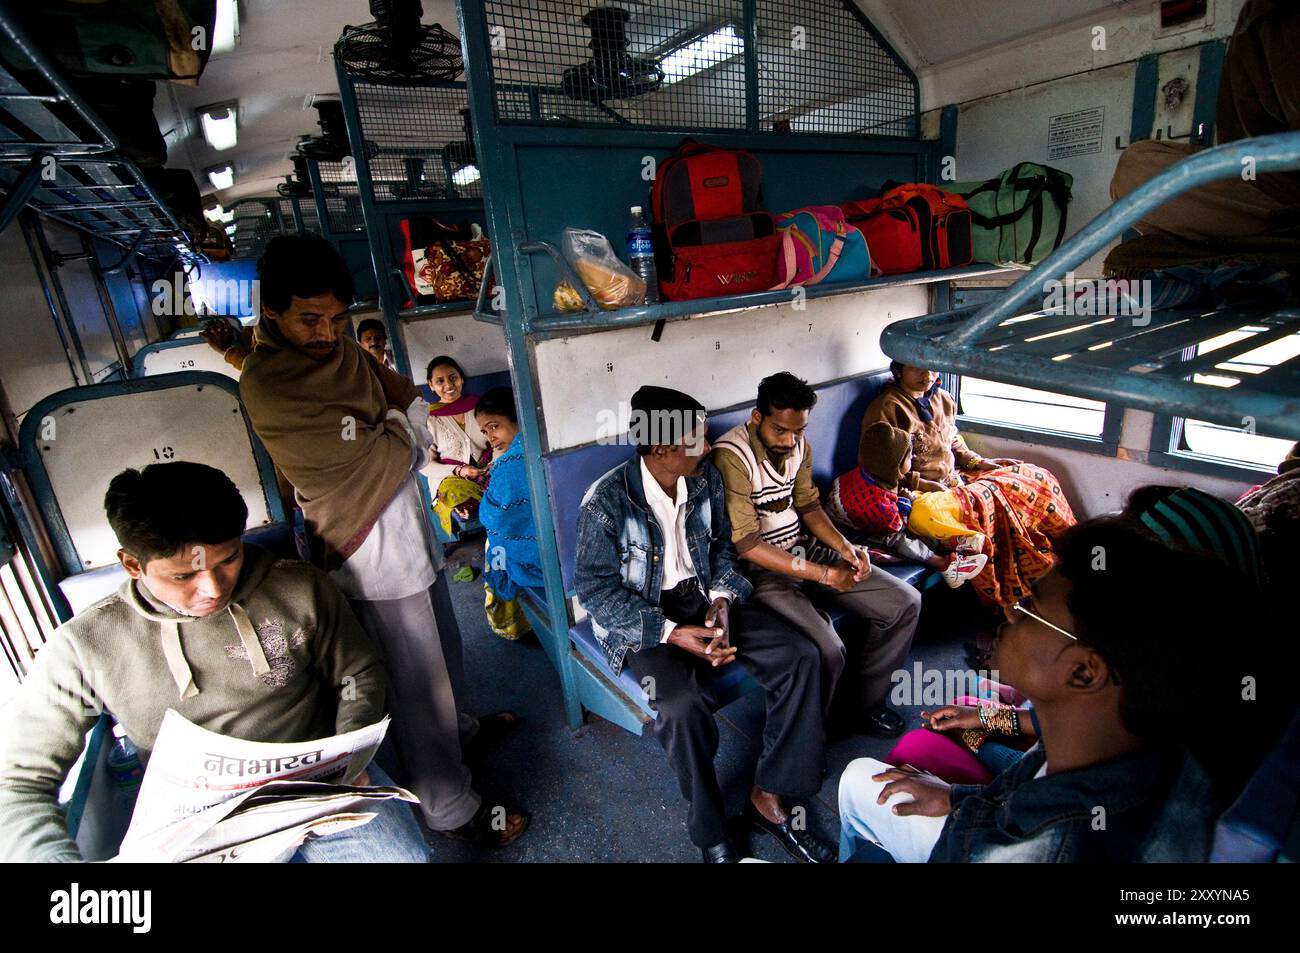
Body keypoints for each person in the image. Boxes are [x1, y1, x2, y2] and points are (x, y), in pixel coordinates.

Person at [238, 235, 527, 847]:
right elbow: (389, 450)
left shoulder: (341, 352)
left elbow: (405, 402)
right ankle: (448, 806)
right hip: (364, 543)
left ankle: (460, 731)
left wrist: (399, 426)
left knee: (444, 650)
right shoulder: (271, 384)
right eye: (309, 318)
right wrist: (403, 429)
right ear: (271, 312)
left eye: (337, 318)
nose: (326, 332)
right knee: (413, 679)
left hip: (406, 525)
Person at [0, 462, 430, 863]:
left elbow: (357, 671)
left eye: (229, 560)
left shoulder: (299, 587)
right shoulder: (86, 644)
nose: (212, 589)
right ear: (133, 564)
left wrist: (351, 750)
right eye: (184, 576)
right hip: (201, 817)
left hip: (320, 785)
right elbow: (19, 782)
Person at [837, 518, 1231, 863]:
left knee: (857, 778)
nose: (1008, 609)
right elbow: (1022, 789)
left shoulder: (1041, 849)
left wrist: (963, 811)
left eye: (1029, 607)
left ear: (1083, 671)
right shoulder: (1099, 734)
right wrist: (956, 798)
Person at [574, 385, 834, 863]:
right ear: (660, 448)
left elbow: (720, 551)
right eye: (697, 438)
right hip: (642, 618)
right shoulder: (606, 502)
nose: (709, 444)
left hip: (702, 597)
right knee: (680, 706)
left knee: (801, 656)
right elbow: (595, 592)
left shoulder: (704, 479)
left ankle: (769, 795)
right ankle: (711, 830)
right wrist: (671, 632)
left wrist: (720, 601)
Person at [712, 372, 919, 736]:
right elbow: (747, 545)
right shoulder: (731, 457)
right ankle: (812, 735)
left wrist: (845, 548)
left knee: (905, 602)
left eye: (799, 431)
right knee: (828, 649)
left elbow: (809, 507)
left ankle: (864, 706)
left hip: (803, 549)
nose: (790, 441)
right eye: (780, 431)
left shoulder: (798, 445)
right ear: (757, 417)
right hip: (762, 573)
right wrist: (823, 575)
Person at [861, 363, 1076, 606]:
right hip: (917, 490)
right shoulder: (887, 407)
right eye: (917, 369)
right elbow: (877, 466)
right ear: (898, 371)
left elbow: (953, 439)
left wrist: (978, 462)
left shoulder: (943, 398)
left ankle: (1073, 552)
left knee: (1034, 475)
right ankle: (1011, 595)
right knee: (973, 504)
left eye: (932, 368)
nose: (927, 376)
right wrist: (926, 485)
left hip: (956, 478)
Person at [1109, 0, 1300, 242]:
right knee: (1135, 170)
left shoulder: (1273, 14)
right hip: (1260, 178)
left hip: (1276, 185)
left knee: (1136, 174)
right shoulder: (1262, 17)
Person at [825, 420, 989, 588]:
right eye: (909, 457)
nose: (913, 458)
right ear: (894, 465)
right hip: (851, 532)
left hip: (863, 515)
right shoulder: (879, 504)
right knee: (900, 539)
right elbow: (897, 525)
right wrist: (907, 502)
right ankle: (944, 565)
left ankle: (950, 541)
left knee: (919, 505)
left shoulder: (871, 472)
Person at [474, 387, 537, 641]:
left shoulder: (510, 464)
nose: (490, 436)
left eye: (493, 426)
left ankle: (512, 625)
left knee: (494, 545)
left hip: (535, 558)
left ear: (516, 417)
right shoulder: (545, 443)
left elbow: (494, 516)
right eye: (484, 431)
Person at [421, 355, 494, 537]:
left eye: (453, 377)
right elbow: (426, 465)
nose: (448, 385)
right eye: (440, 381)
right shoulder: (430, 418)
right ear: (431, 385)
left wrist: (493, 463)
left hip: (488, 470)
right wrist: (459, 471)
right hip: (451, 478)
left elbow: (499, 440)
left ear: (461, 378)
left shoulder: (480, 407)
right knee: (456, 496)